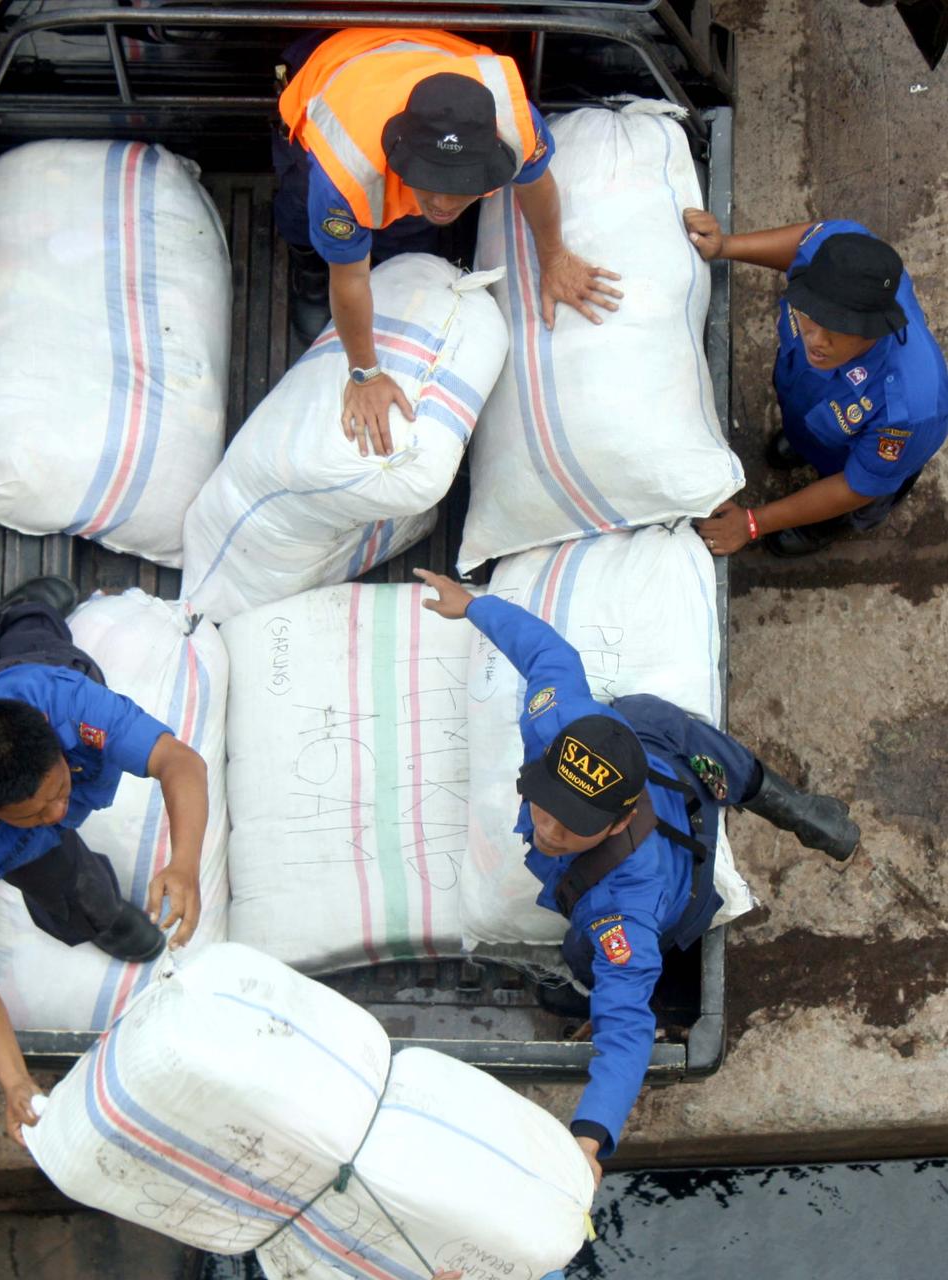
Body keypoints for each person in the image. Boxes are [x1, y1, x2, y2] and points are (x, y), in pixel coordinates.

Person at [413, 569, 859, 1184]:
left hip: (676, 878)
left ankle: (800, 811)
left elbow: (628, 1033)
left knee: (592, 953)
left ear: (621, 815)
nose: (547, 828)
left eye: (571, 825)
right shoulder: (558, 723)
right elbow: (549, 653)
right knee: (650, 714)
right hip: (643, 737)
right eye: (546, 803)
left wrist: (591, 1136)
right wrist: (473, 606)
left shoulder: (624, 908)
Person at [0, 576, 208, 1145]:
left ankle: (14, 616)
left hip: (35, 667)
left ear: (54, 741)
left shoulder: (66, 699)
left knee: (38, 631)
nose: (54, 811)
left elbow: (180, 762)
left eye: (57, 791)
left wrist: (186, 861)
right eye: (31, 810)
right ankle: (99, 915)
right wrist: (15, 1080)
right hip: (19, 844)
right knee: (69, 889)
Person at [275, 28, 622, 457]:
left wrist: (555, 257)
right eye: (430, 181)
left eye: (460, 185)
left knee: (412, 231)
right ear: (399, 155)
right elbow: (348, 278)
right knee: (300, 214)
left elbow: (537, 186)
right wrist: (364, 373)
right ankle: (306, 260)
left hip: (433, 53)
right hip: (327, 72)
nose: (442, 201)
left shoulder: (514, 125)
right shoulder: (345, 173)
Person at [684, 212, 948, 557]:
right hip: (809, 409)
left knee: (858, 506)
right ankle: (802, 441)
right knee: (802, 435)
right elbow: (806, 243)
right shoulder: (842, 255)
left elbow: (855, 486)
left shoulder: (909, 410)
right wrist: (726, 246)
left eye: (838, 328)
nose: (816, 340)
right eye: (811, 313)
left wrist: (753, 522)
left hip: (863, 470)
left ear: (876, 327)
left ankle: (823, 528)